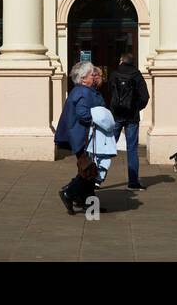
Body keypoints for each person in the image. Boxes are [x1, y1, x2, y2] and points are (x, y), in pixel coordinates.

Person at [55, 61, 105, 214]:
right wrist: (101, 119)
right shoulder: (83, 93)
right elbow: (83, 114)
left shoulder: (85, 90)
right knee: (88, 170)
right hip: (83, 138)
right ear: (83, 78)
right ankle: (68, 193)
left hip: (86, 137)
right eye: (92, 74)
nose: (94, 76)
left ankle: (87, 203)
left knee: (89, 171)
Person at [108, 52, 150, 190]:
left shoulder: (114, 73)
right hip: (132, 117)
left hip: (116, 116)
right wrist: (136, 107)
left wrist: (113, 106)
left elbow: (109, 91)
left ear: (121, 60)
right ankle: (133, 182)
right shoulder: (137, 75)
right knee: (132, 149)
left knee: (107, 146)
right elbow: (145, 96)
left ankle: (97, 178)